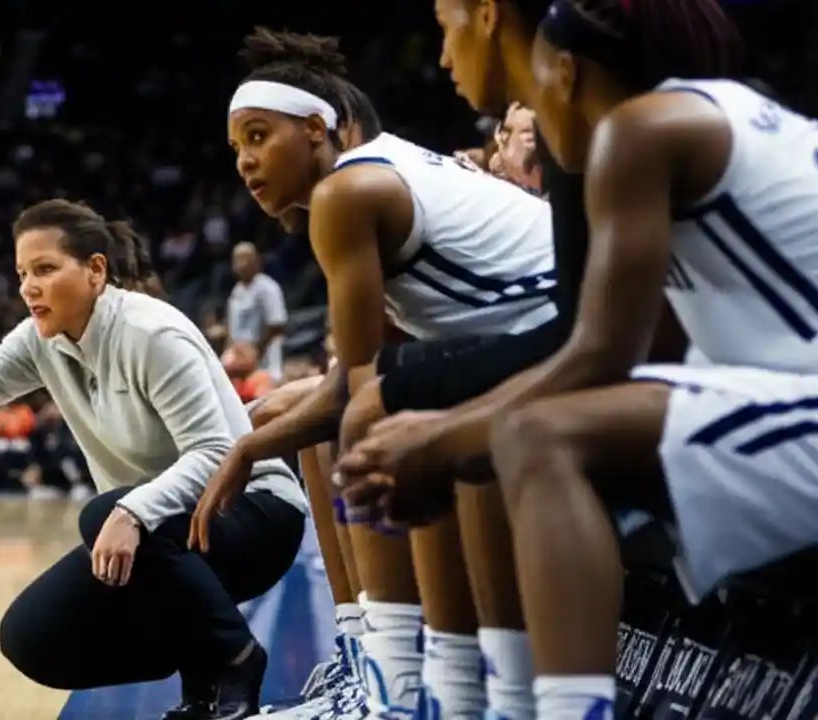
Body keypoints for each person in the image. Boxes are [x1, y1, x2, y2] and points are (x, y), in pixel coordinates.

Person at [338, 2, 817, 718]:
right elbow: (646, 359)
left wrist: (436, 441)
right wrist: (451, 440)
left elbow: (597, 355)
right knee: (524, 427)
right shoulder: (716, 118)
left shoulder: (636, 131)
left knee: (541, 436)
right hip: (789, 398)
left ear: (564, 73)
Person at [196, 28, 561, 719]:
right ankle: (369, 665)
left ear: (315, 128)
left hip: (562, 337)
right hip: (532, 336)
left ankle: (402, 690)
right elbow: (367, 366)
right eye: (236, 147)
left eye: (257, 136)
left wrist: (246, 448)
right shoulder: (378, 174)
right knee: (310, 414)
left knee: (371, 417)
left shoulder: (346, 193)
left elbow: (362, 387)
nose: (244, 162)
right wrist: (256, 432)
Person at [0, 199, 308, 720]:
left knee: (104, 514)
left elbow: (216, 453)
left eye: (46, 269)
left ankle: (236, 657)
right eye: (23, 273)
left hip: (255, 513)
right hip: (165, 533)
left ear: (96, 270)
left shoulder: (152, 334)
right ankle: (201, 662)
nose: (29, 286)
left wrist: (131, 513)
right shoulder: (41, 338)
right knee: (31, 636)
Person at [227, 242, 289, 382]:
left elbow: (277, 324)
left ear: (257, 261)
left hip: (265, 363)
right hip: (241, 363)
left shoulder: (268, 287)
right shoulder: (236, 291)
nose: (241, 264)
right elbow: (232, 329)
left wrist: (255, 352)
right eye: (237, 260)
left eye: (245, 259)